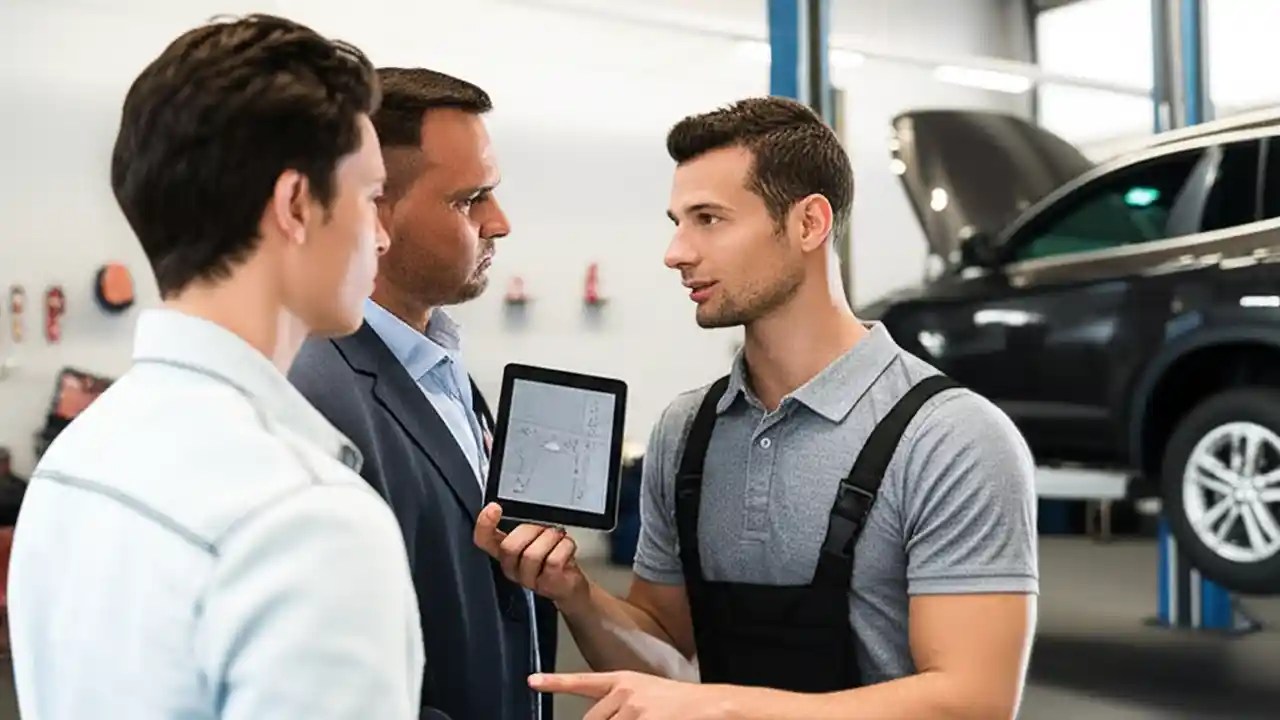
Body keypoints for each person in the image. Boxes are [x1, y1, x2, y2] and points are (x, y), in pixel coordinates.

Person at [475, 96, 1039, 719]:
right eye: (677, 221)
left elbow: (972, 703)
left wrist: (721, 710)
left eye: (708, 219)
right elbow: (670, 660)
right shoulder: (686, 432)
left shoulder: (951, 438)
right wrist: (575, 594)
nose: (676, 252)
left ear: (808, 224)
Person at [5, 14, 422, 720]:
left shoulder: (74, 456)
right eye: (371, 195)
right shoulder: (309, 521)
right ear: (295, 204)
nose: (381, 235)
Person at [289, 67, 555, 720]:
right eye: (470, 200)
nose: (500, 223)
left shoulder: (439, 363)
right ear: (374, 211)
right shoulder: (315, 396)